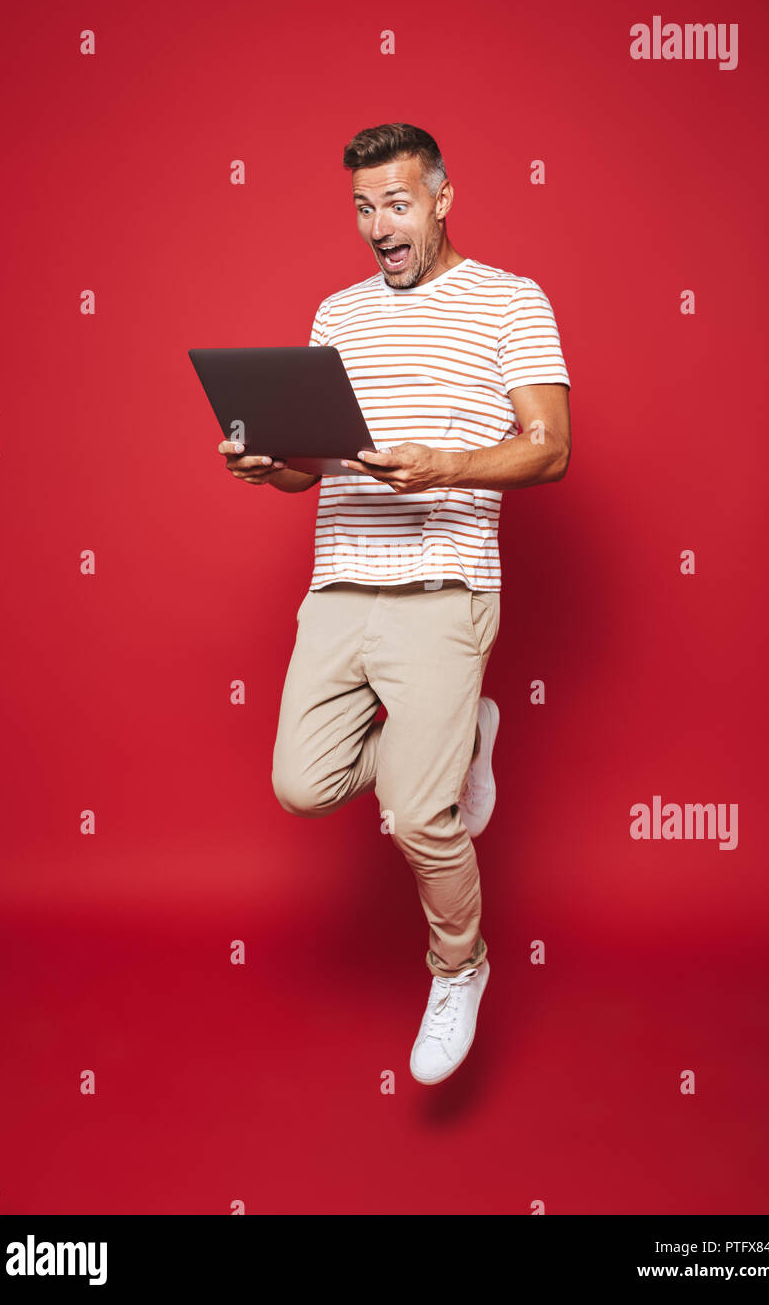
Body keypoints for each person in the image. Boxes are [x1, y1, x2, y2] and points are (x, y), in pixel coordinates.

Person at [219, 123, 571, 1085]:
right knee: (302, 783)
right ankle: (463, 736)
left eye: (398, 203)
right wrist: (269, 465)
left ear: (444, 198)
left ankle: (461, 968)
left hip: (444, 586)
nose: (380, 225)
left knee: (421, 817)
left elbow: (551, 448)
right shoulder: (336, 311)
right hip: (338, 584)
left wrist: (446, 465)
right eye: (365, 207)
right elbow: (312, 465)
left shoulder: (511, 300)